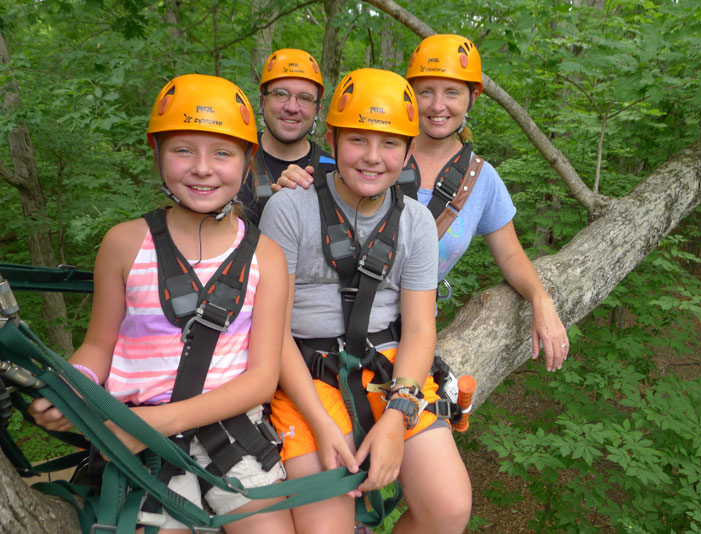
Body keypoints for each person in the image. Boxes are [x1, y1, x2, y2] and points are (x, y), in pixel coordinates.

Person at [29, 74, 295, 534]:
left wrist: (154, 423)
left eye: (222, 152)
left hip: (232, 432)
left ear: (249, 161)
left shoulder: (267, 257)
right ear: (158, 154)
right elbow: (98, 347)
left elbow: (260, 380)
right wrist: (73, 385)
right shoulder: (125, 244)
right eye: (183, 149)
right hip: (136, 431)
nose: (202, 168)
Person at [278, 34, 570, 372]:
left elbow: (509, 253)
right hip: (324, 336)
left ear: (472, 97)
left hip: (409, 334)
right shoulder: (368, 159)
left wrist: (541, 299)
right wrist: (290, 182)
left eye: (452, 92)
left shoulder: (481, 180)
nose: (436, 105)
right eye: (425, 91)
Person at [260, 68, 471, 534]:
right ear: (331, 142)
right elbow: (271, 331)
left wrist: (398, 415)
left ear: (410, 151)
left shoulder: (414, 223)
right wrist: (320, 421)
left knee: (448, 509)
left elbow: (418, 328)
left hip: (392, 368)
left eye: (391, 143)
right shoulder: (289, 210)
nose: (373, 157)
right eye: (357, 140)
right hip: (305, 374)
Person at [237, 48, 337, 226]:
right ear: (263, 101)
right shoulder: (233, 160)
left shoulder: (332, 172)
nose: (292, 107)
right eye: (281, 94)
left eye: (305, 98)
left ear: (317, 110)